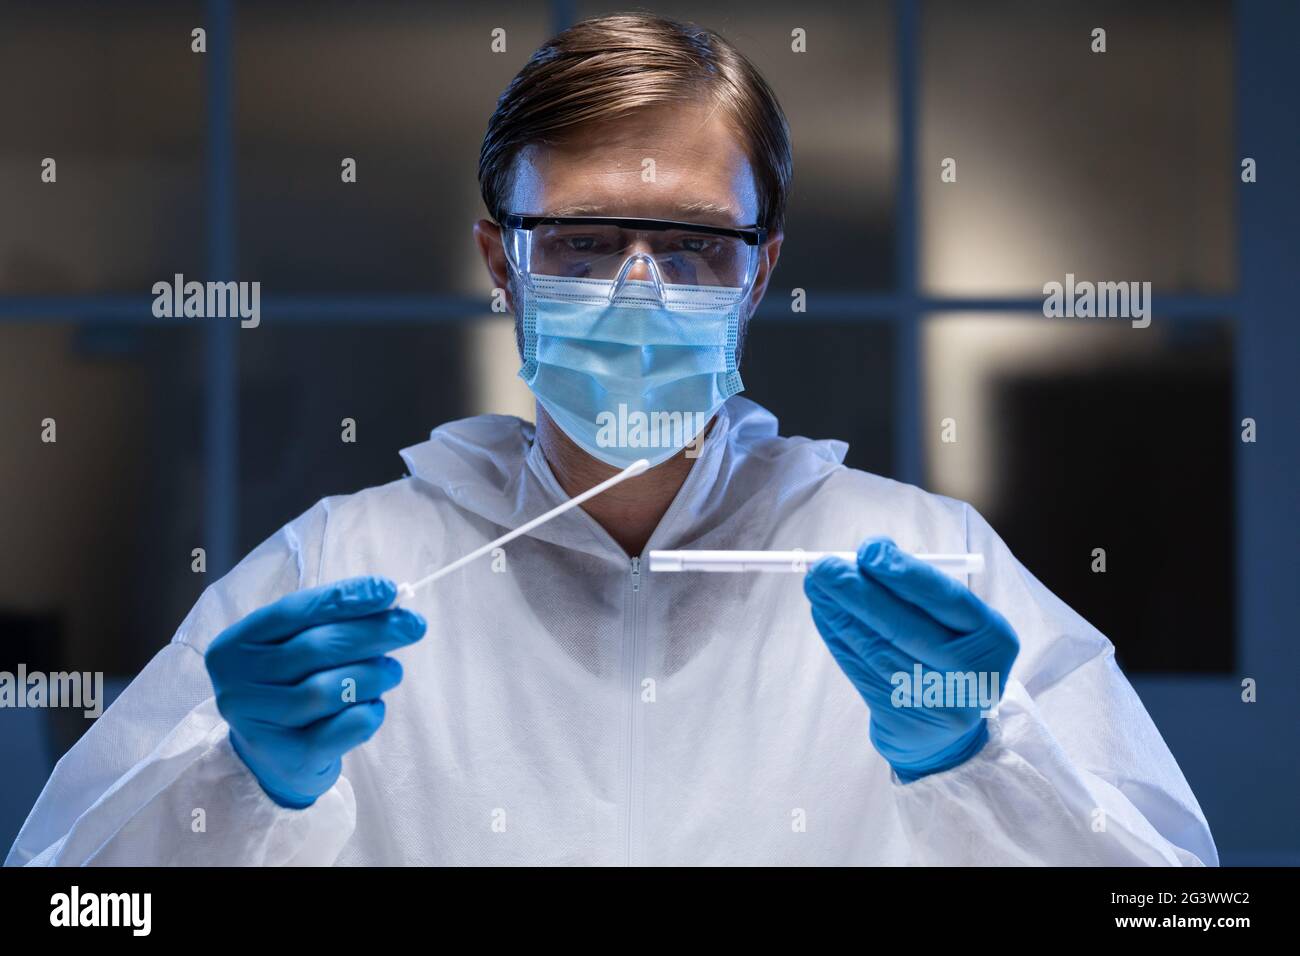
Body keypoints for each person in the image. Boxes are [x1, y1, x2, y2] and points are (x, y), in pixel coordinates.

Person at [7, 13, 1215, 866]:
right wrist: (240, 783)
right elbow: (80, 906)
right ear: (503, 262)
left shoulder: (922, 559)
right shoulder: (341, 567)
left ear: (759, 273)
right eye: (584, 244)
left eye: (690, 245)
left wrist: (977, 755)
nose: (637, 291)